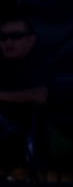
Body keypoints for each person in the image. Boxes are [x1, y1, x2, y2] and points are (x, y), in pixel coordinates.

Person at [0, 11, 49, 175]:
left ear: (30, 40)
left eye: (16, 36)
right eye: (3, 37)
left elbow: (40, 95)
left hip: (25, 135)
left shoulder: (39, 62)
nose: (8, 42)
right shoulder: (3, 64)